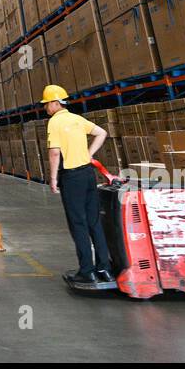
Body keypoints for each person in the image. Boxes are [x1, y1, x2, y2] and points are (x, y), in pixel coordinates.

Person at [42, 84, 114, 285]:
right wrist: (88, 155)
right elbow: (102, 133)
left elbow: (54, 152)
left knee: (78, 223)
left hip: (71, 177)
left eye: (47, 104)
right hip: (88, 174)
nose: (46, 108)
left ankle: (87, 271)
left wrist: (53, 178)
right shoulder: (77, 119)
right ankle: (105, 269)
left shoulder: (54, 123)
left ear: (55, 104)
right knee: (94, 222)